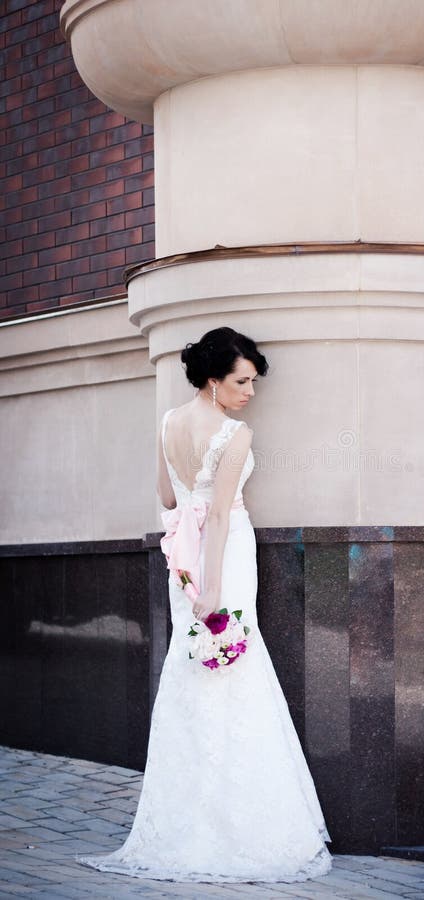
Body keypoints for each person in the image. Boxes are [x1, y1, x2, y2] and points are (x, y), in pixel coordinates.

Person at [75, 326, 332, 883]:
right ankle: (234, 827)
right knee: (232, 663)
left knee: (194, 666)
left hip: (182, 557)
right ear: (214, 380)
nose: (250, 392)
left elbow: (168, 497)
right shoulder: (234, 434)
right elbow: (217, 515)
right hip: (220, 557)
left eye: (253, 382)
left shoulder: (168, 422)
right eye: (242, 381)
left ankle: (190, 817)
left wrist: (194, 569)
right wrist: (214, 590)